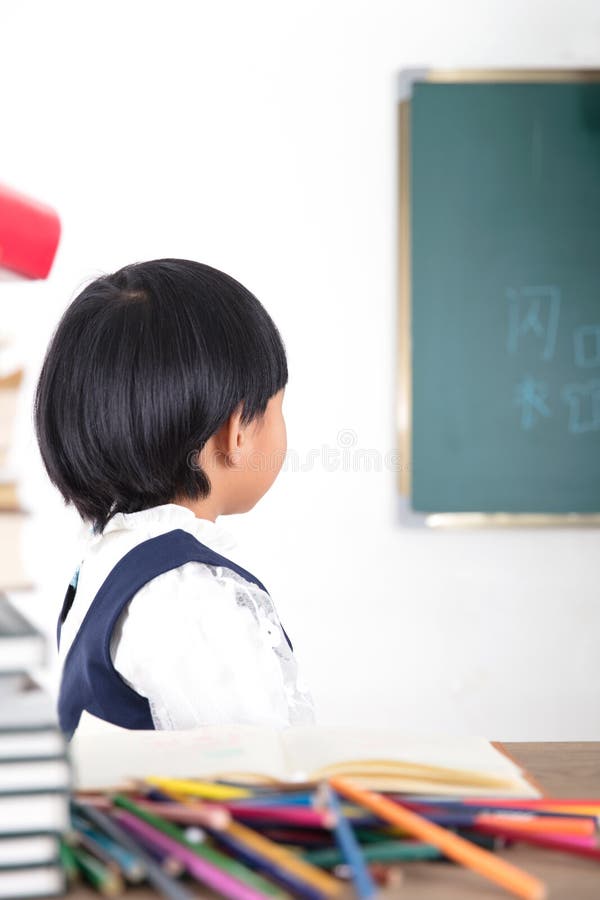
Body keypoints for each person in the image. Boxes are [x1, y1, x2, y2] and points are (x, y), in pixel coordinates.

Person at [34, 258, 315, 737]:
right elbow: (260, 765)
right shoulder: (190, 593)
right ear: (237, 431)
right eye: (277, 408)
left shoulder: (108, 559)